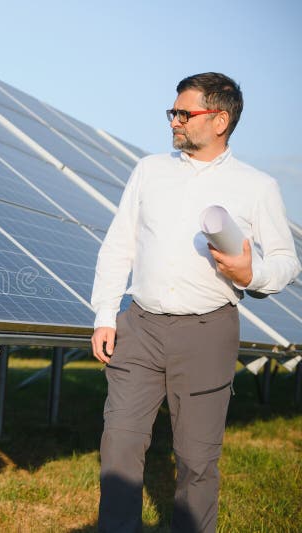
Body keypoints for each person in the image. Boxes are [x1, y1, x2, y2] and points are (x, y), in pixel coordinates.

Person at [90, 72, 301, 532]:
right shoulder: (150, 170)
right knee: (119, 446)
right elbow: (118, 244)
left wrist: (252, 274)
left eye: (185, 114)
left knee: (197, 460)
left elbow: (286, 262)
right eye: (174, 112)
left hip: (208, 333)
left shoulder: (257, 186)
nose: (174, 122)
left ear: (220, 119)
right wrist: (106, 314)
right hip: (139, 326)